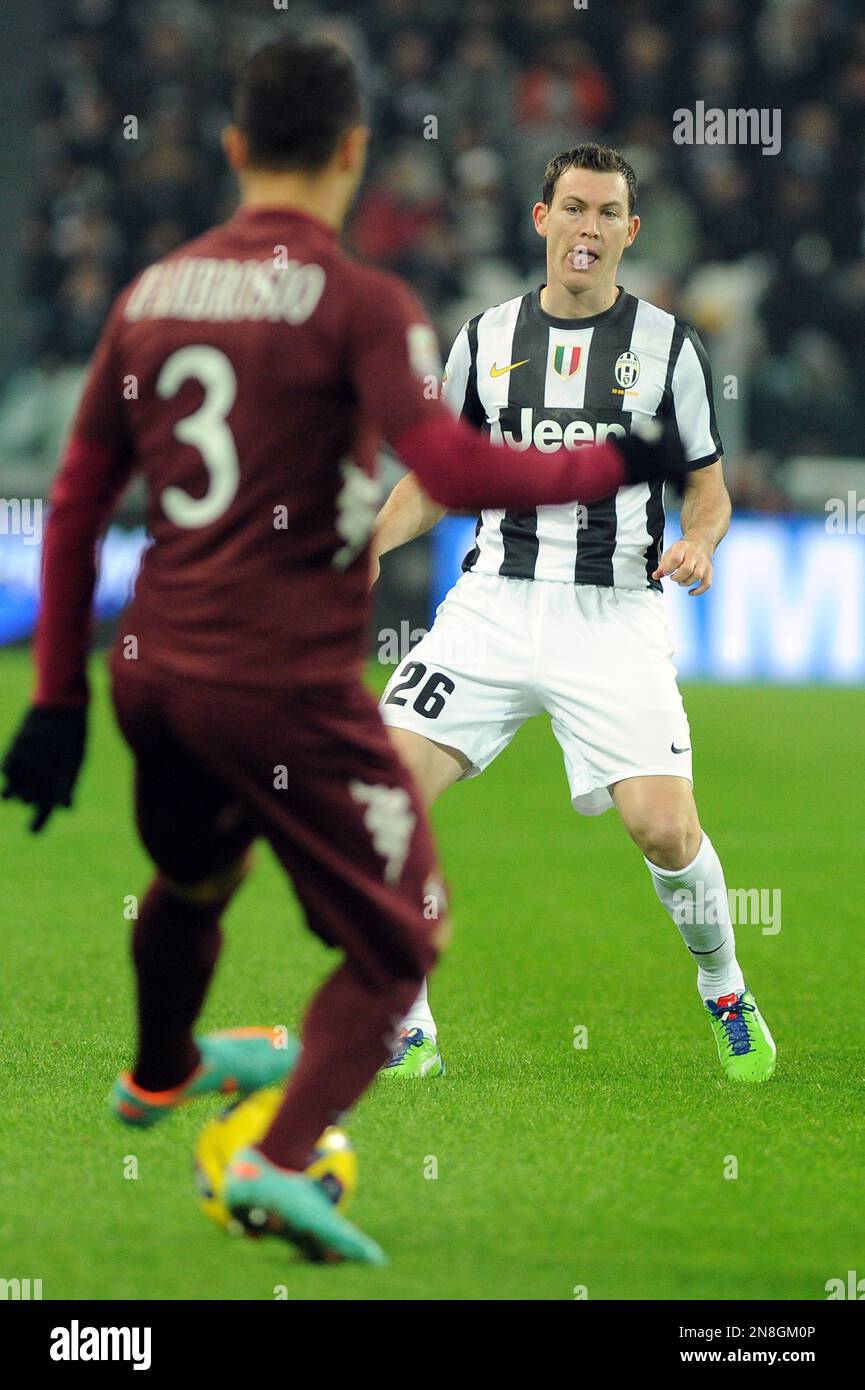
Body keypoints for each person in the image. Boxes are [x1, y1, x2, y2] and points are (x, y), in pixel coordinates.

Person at [1, 47, 689, 1266]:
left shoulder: (152, 291)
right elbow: (461, 468)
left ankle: (163, 1072)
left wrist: (55, 699)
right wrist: (609, 464)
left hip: (150, 673)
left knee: (193, 882)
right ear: (352, 154)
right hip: (283, 683)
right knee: (401, 936)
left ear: (230, 149)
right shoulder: (363, 302)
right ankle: (273, 1159)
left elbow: (69, 506)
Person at [374, 144, 776, 1086]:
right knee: (380, 799)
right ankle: (407, 1018)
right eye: (573, 209)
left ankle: (722, 984)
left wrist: (703, 542)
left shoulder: (670, 348)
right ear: (540, 219)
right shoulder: (483, 337)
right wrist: (361, 544)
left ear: (630, 233)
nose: (587, 228)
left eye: (607, 214)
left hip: (613, 615)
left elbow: (706, 491)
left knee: (664, 831)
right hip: (492, 608)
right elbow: (439, 483)